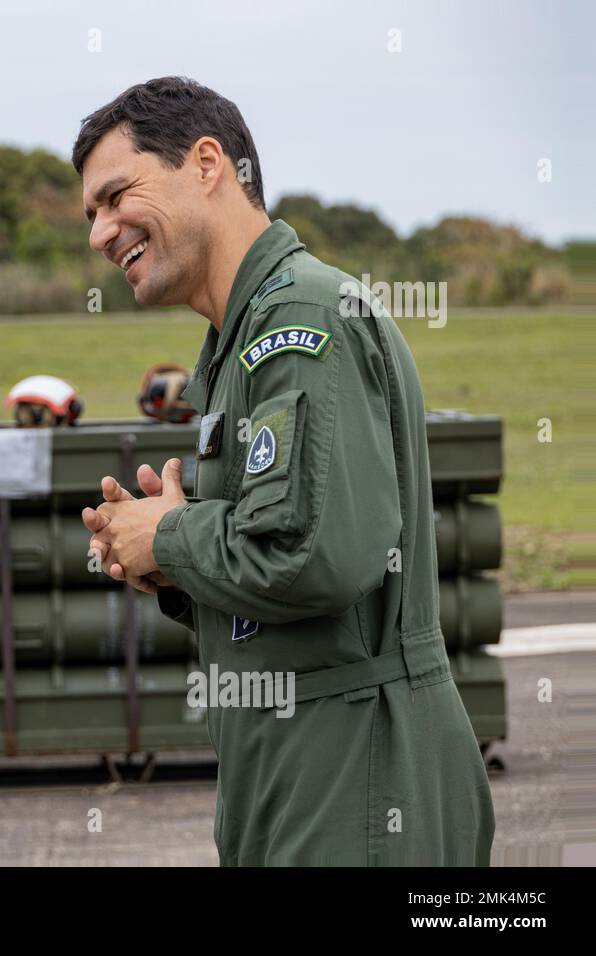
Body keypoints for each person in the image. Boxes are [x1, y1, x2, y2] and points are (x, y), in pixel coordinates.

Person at [75, 77, 494, 865]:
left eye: (115, 195)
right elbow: (282, 572)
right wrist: (166, 562)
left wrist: (172, 537)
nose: (101, 232)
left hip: (355, 772)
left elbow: (312, 558)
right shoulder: (239, 340)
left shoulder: (299, 319)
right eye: (92, 213)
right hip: (297, 767)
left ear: (207, 164)